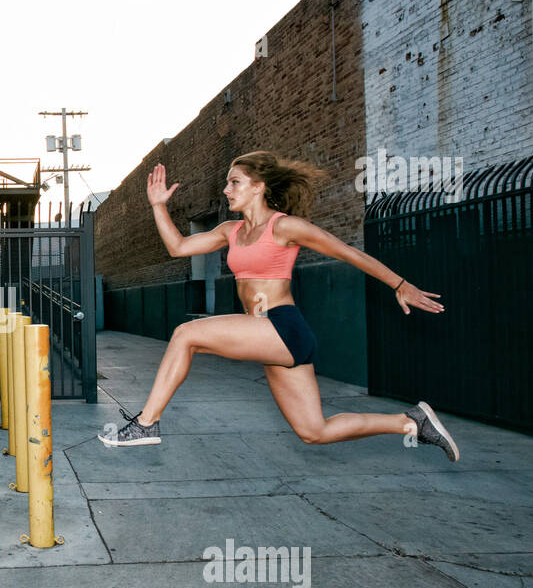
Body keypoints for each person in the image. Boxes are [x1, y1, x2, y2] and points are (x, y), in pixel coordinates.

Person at [98, 151, 459, 460]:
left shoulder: (285, 227)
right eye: (227, 183)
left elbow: (347, 252)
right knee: (314, 431)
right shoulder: (230, 230)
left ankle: (146, 423)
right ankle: (412, 422)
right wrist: (159, 206)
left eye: (234, 182)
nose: (226, 190)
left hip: (283, 327)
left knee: (185, 334)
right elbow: (178, 247)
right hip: (269, 337)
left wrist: (400, 285)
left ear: (259, 187)